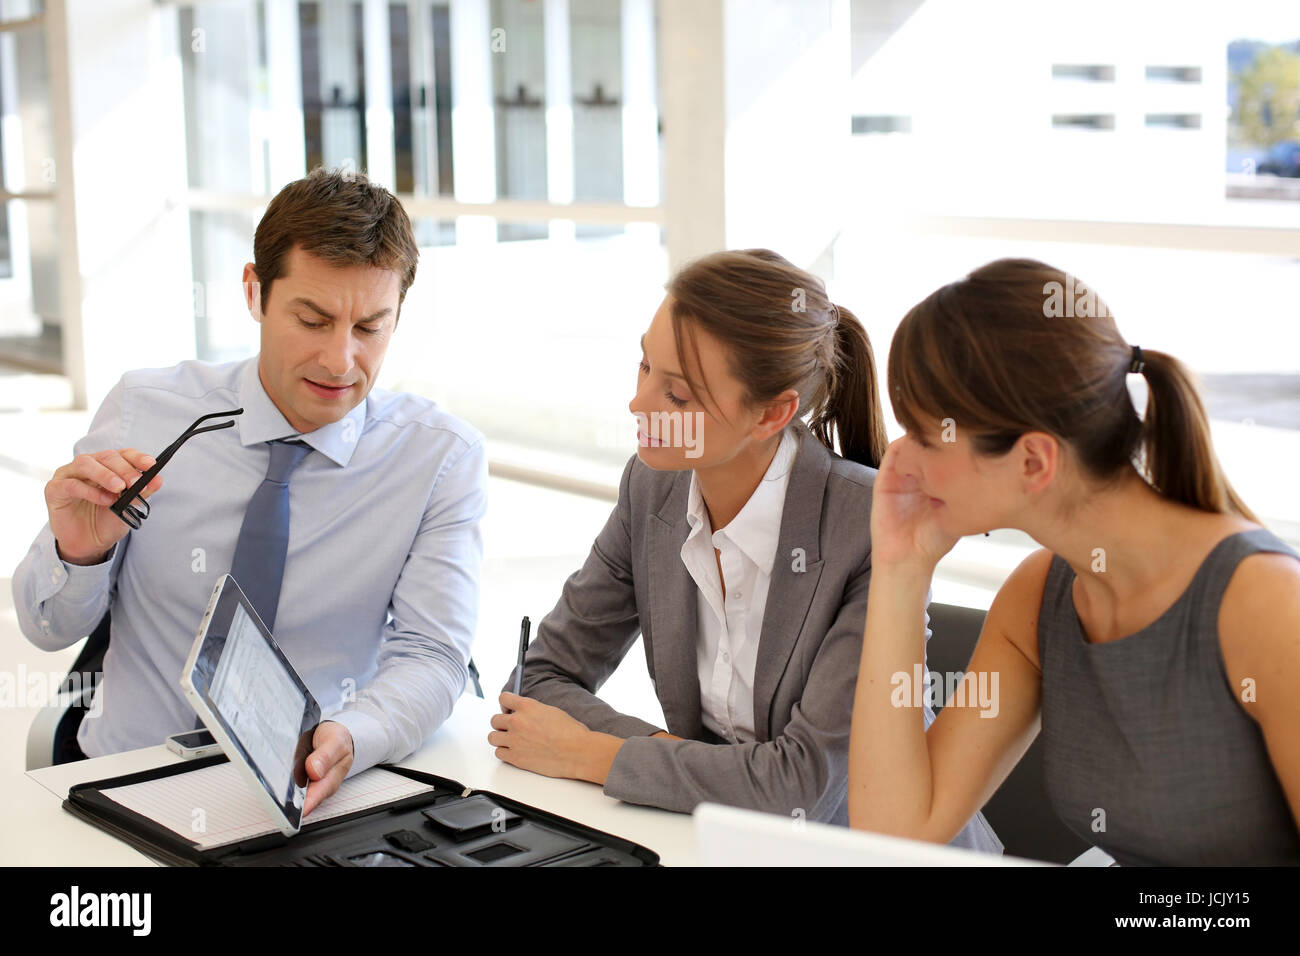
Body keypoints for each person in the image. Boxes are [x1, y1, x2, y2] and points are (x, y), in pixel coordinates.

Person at [487, 248, 1002, 849]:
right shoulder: (651, 487)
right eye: (643, 367)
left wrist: (596, 753)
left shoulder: (870, 527)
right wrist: (704, 770)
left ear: (772, 413)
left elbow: (801, 790)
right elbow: (540, 679)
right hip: (729, 845)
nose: (639, 403)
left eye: (677, 396)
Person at [13, 167, 488, 815]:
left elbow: (433, 654)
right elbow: (47, 628)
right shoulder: (146, 410)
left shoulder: (439, 457)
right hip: (134, 780)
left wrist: (353, 736)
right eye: (313, 320)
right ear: (254, 292)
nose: (341, 360)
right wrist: (79, 554)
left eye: (371, 327)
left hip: (318, 791)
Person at [848, 257, 1300, 864]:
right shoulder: (1039, 599)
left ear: (1033, 461)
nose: (901, 458)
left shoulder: (1266, 604)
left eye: (927, 436)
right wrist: (901, 570)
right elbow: (895, 834)